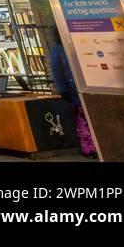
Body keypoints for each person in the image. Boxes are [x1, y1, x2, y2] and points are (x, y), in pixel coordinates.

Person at [47, 28, 95, 157]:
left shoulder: (67, 46)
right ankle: (89, 148)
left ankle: (93, 147)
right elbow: (57, 71)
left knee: (85, 118)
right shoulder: (58, 49)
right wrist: (63, 89)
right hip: (75, 89)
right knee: (82, 119)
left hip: (88, 85)